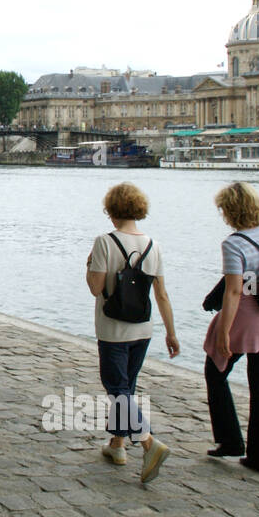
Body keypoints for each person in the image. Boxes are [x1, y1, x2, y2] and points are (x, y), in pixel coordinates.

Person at [85, 183, 178, 484]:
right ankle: (117, 445)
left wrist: (89, 264)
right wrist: (171, 333)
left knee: (116, 387)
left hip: (113, 328)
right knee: (127, 388)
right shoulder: (153, 244)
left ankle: (149, 442)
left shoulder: (105, 242)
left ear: (111, 211)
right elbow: (162, 294)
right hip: (143, 328)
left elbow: (95, 288)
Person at [203, 182, 259, 474]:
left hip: (244, 317)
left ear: (231, 210)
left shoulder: (233, 243)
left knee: (215, 371)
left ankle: (230, 441)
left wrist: (224, 331)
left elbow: (234, 291)